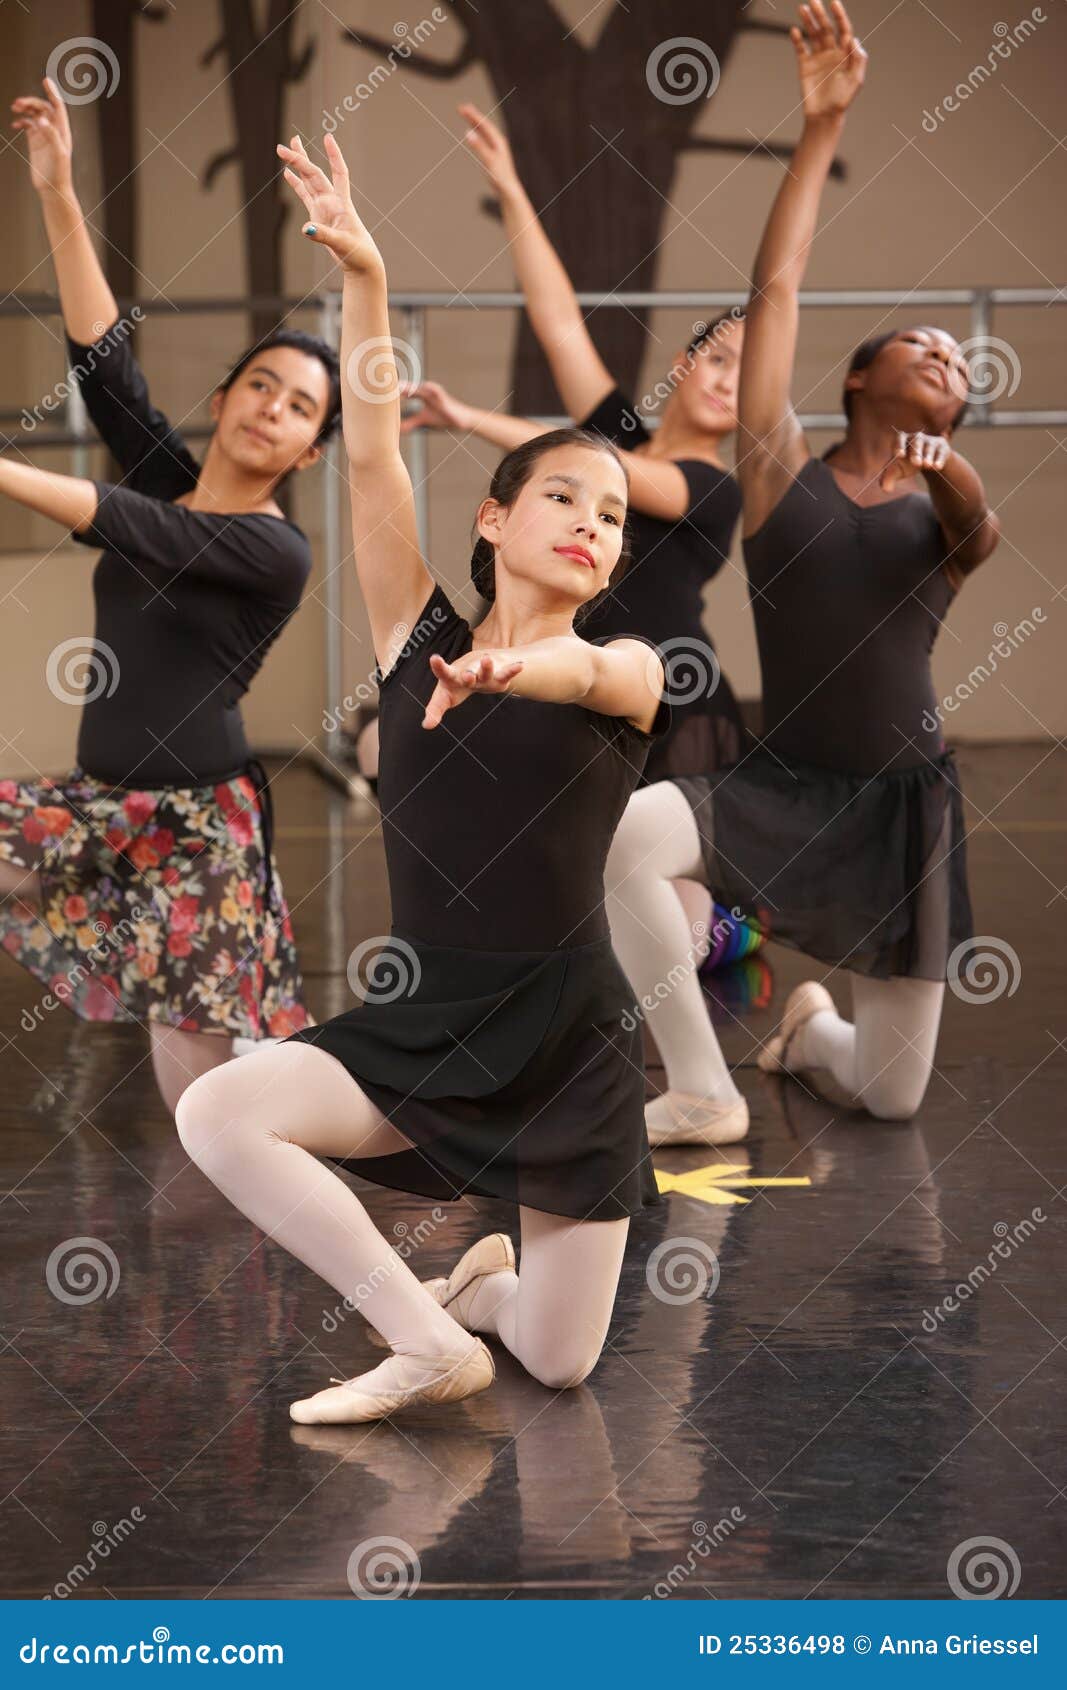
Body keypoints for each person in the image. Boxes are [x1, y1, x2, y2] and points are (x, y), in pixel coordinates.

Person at [174, 131, 672, 1427]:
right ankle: (420, 1335)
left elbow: (599, 686)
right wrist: (367, 280)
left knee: (559, 1361)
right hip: (426, 1019)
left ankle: (484, 1291)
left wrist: (525, 675)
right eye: (561, 495)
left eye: (610, 514)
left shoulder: (621, 668)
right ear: (492, 518)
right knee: (225, 1110)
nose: (589, 520)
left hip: (571, 1040)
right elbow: (371, 455)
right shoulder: (419, 644)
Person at [604, 0, 1000, 1149]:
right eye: (917, 342)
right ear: (859, 374)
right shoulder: (778, 472)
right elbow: (772, 288)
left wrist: (952, 478)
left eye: (958, 361)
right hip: (783, 782)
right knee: (630, 836)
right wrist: (818, 125)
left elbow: (976, 536)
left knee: (887, 1094)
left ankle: (804, 1029)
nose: (942, 355)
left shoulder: (941, 509)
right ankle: (701, 1086)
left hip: (903, 806)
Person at [0, 78, 339, 1113]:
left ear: (310, 448)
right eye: (261, 387)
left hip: (202, 834)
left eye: (299, 409)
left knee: (208, 1111)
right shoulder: (167, 477)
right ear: (226, 397)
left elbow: (124, 521)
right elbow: (105, 370)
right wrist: (58, 190)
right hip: (102, 807)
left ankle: (369, 1114)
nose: (272, 410)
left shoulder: (273, 551)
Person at [396, 101, 747, 786]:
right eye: (720, 359)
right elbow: (558, 322)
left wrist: (469, 417)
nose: (730, 383)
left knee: (674, 887)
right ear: (684, 362)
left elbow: (593, 462)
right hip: (570, 678)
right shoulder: (618, 435)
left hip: (671, 696)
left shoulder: (714, 487)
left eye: (751, 376)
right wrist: (510, 188)